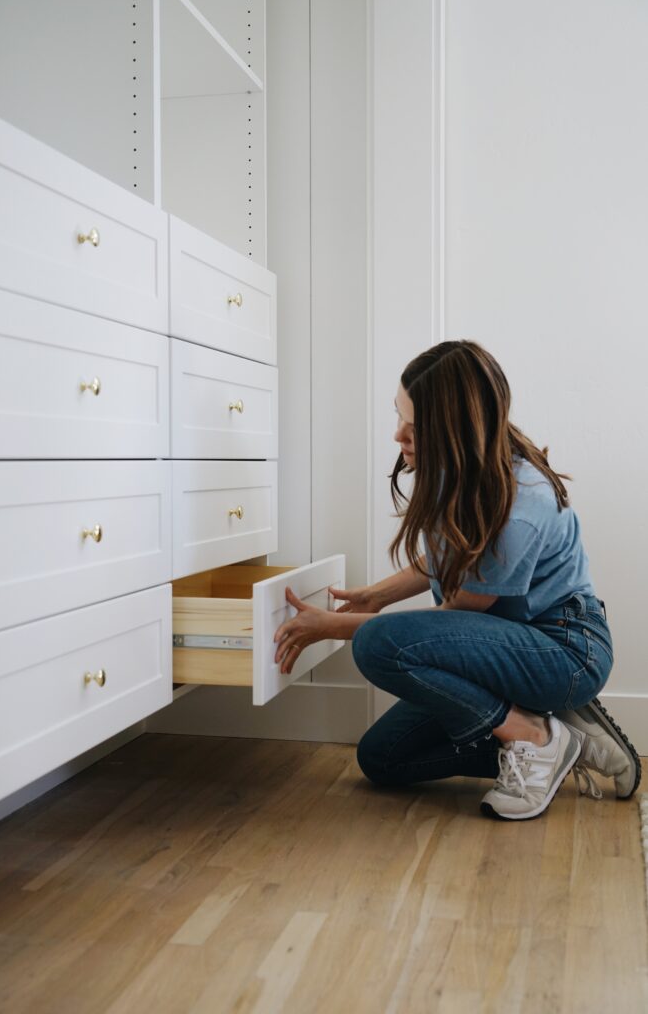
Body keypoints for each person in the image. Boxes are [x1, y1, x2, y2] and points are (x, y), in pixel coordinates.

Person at [274, 340, 640, 821]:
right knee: (383, 758)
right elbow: (449, 561)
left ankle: (535, 737)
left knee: (377, 645)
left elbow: (457, 615)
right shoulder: (460, 470)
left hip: (565, 653)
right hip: (505, 649)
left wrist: (333, 627)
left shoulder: (522, 505)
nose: (397, 434)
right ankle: (561, 740)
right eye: (398, 414)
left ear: (456, 429)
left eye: (414, 426)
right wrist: (373, 597)